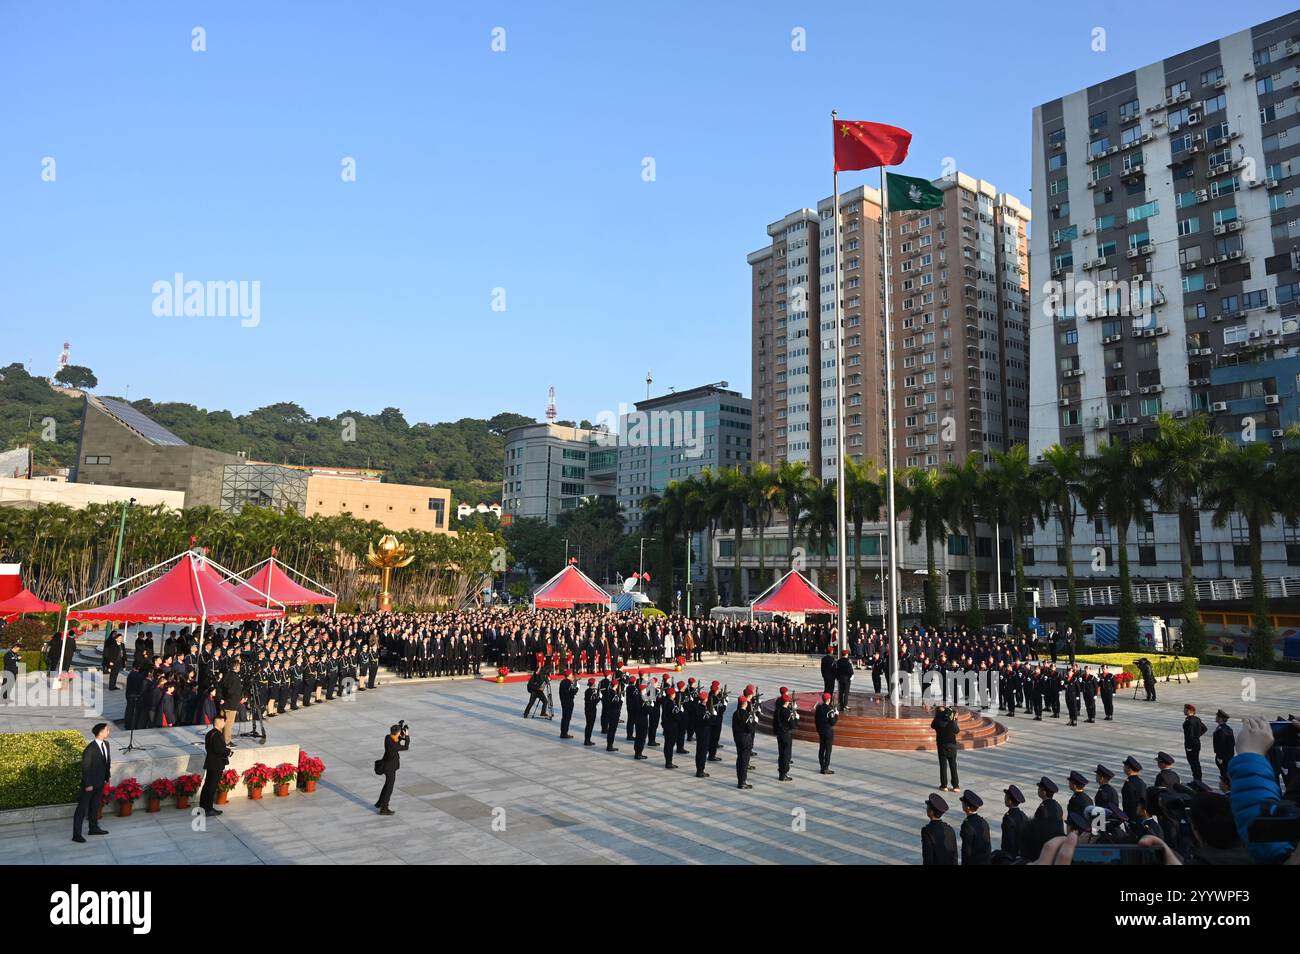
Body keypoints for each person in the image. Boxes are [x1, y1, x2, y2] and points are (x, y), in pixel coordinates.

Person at [72, 722, 111, 843]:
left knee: (95, 805)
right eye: (106, 730)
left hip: (100, 782)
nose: (108, 732)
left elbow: (106, 763)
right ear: (100, 733)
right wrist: (88, 784)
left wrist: (107, 777)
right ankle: (76, 834)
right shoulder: (90, 749)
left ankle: (93, 828)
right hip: (89, 784)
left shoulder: (106, 744)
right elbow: (85, 767)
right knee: (82, 808)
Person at [199, 713, 232, 816]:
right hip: (216, 764)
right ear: (221, 722)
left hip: (210, 762)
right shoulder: (217, 734)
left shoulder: (209, 733)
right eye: (224, 721)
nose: (224, 723)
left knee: (207, 786)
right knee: (211, 787)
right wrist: (228, 751)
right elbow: (218, 749)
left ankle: (203, 807)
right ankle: (208, 809)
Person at [375, 722, 409, 816]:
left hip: (386, 766)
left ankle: (380, 803)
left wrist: (400, 729)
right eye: (399, 732)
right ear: (397, 733)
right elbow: (406, 746)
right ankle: (384, 808)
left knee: (387, 786)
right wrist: (407, 736)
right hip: (390, 768)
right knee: (389, 789)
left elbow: (396, 738)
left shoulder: (388, 738)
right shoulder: (394, 746)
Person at [1026, 776, 1063, 860]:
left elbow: (1037, 831)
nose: (1038, 790)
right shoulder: (1057, 806)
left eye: (1039, 788)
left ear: (1044, 792)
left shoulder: (1043, 809)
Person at [921, 793, 958, 865]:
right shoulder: (949, 829)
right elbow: (954, 855)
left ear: (931, 812)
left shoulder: (927, 831)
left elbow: (928, 857)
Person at [931, 704, 959, 792]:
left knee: (943, 766)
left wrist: (938, 715)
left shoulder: (937, 722)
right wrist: (954, 718)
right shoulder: (951, 721)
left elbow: (932, 725)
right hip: (952, 746)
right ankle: (956, 786)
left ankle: (944, 786)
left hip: (942, 746)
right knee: (953, 765)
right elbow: (957, 730)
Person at [218, 659, 245, 747]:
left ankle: (220, 739)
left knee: (222, 723)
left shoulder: (227, 674)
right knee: (228, 724)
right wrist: (240, 698)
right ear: (236, 666)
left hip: (224, 703)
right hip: (231, 703)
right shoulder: (235, 677)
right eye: (239, 666)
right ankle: (227, 741)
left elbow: (222, 687)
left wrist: (222, 698)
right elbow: (233, 691)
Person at [959, 790, 990, 865]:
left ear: (968, 807)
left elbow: (966, 850)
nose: (962, 805)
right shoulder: (983, 821)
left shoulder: (967, 825)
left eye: (963, 803)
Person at [773, 687, 798, 782]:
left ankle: (781, 772)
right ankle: (784, 773)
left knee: (781, 753)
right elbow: (793, 725)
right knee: (786, 754)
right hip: (785, 734)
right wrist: (796, 718)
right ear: (786, 702)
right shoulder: (786, 712)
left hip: (779, 734)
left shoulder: (777, 710)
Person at [732, 693, 756, 789]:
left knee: (740, 759)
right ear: (745, 704)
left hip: (738, 738)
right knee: (744, 761)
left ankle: (740, 780)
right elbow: (749, 728)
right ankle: (742, 782)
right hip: (745, 739)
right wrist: (754, 722)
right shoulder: (746, 714)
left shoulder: (735, 713)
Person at [1000, 785, 1029, 860]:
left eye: (1005, 797)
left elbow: (1007, 841)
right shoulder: (1023, 815)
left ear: (1010, 801)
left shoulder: (1008, 818)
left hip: (1011, 856)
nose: (1004, 799)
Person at [813, 691, 838, 775]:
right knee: (828, 750)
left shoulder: (819, 707)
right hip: (828, 731)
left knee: (822, 748)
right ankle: (826, 767)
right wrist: (836, 714)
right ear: (829, 700)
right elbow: (833, 722)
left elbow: (816, 719)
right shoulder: (829, 710)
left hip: (820, 730)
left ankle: (821, 766)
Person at [1182, 704, 1207, 783]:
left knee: (1193, 763)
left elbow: (1190, 736)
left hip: (1191, 745)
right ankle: (1198, 779)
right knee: (1196, 762)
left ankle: (1196, 780)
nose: (1183, 711)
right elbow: (1204, 728)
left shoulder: (1188, 721)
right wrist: (1197, 736)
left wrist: (1189, 746)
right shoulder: (1197, 719)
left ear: (1189, 711)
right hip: (1197, 743)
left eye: (1185, 709)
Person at [661, 685, 683, 768]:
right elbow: (677, 716)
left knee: (667, 744)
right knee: (670, 745)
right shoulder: (671, 704)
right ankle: (669, 762)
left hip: (666, 726)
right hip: (672, 726)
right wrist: (680, 712)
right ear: (672, 695)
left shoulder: (665, 701)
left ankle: (668, 761)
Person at [1212, 710, 1235, 787]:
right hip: (1229, 756)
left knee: (1224, 774)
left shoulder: (1221, 730)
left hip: (1223, 757)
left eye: (1217, 717)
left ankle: (1227, 788)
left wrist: (1220, 757)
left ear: (1221, 719)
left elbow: (1220, 746)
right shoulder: (1228, 728)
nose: (1216, 718)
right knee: (1226, 773)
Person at [1121, 756, 1148, 822]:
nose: (1123, 768)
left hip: (1132, 816)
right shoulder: (1141, 782)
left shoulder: (1129, 783)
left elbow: (1129, 802)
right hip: (1141, 815)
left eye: (1125, 766)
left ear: (1129, 769)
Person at [558, 670, 577, 739]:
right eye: (571, 674)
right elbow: (572, 692)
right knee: (567, 718)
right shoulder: (569, 682)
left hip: (564, 702)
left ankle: (563, 732)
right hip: (568, 702)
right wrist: (577, 688)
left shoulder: (562, 682)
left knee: (564, 717)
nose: (572, 675)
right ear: (568, 675)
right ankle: (564, 733)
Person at [582, 677, 600, 746]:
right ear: (593, 684)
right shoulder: (591, 692)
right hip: (591, 710)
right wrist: (599, 698)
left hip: (587, 709)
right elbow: (594, 702)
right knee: (590, 726)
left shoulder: (587, 691)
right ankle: (587, 740)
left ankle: (587, 739)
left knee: (589, 725)